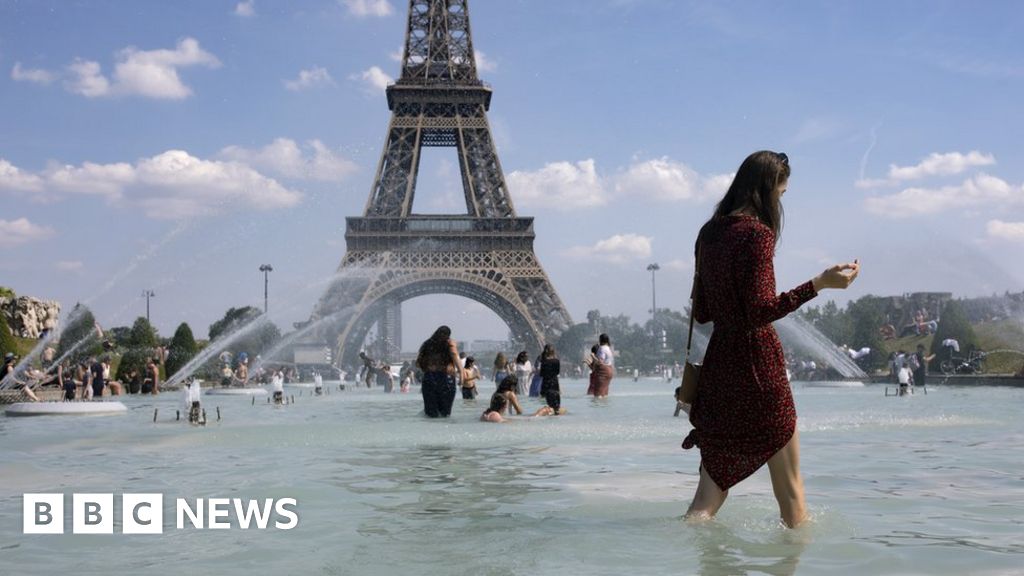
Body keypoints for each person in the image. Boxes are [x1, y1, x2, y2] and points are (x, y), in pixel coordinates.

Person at [681, 150, 860, 528]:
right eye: (781, 193)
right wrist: (819, 284)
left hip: (720, 370)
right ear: (766, 190)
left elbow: (703, 313)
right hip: (758, 368)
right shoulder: (757, 235)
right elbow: (761, 311)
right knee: (791, 494)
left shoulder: (708, 233)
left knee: (705, 499)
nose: (780, 202)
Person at [415, 325, 460, 418]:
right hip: (447, 379)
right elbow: (454, 355)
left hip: (429, 377)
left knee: (430, 414)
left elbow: (418, 363)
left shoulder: (427, 344)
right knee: (445, 414)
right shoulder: (449, 344)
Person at [538, 344, 561, 414]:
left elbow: (541, 374)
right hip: (554, 382)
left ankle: (549, 415)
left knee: (549, 402)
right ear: (553, 352)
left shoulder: (543, 362)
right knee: (556, 404)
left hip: (546, 383)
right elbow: (557, 372)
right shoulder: (557, 361)